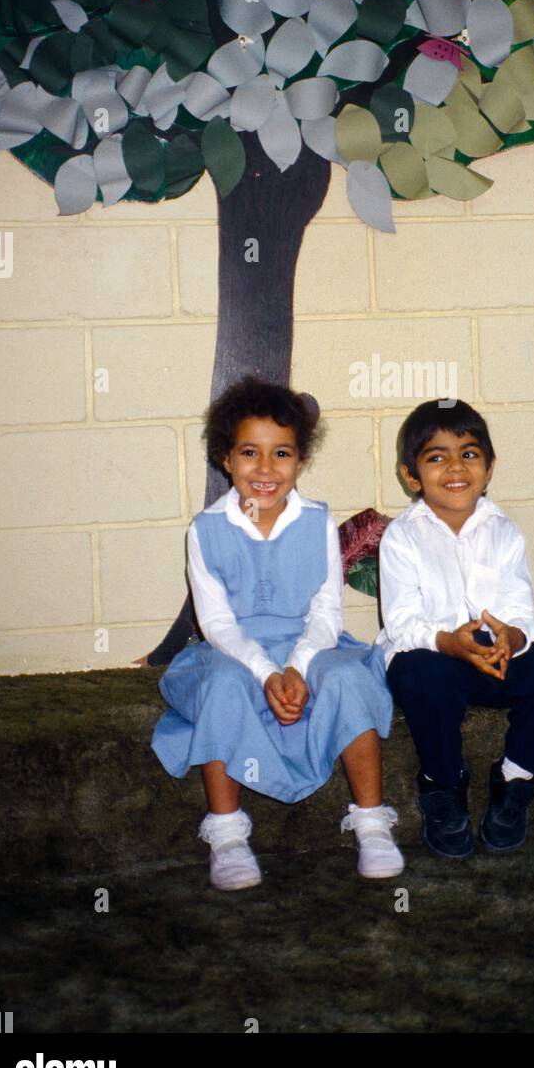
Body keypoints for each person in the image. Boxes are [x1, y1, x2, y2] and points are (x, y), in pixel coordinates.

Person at [152, 376, 403, 890]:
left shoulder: (315, 522)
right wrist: (267, 672)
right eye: (250, 452)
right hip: (235, 651)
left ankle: (372, 821)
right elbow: (217, 624)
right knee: (221, 687)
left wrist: (298, 664)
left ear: (300, 461)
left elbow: (327, 612)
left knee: (347, 681)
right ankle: (226, 833)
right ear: (226, 458)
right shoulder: (205, 530)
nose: (265, 469)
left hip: (311, 645)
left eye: (281, 453)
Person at [378, 399, 534, 858]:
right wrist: (447, 643)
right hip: (431, 654)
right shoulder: (402, 535)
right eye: (436, 457)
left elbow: (521, 613)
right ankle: (442, 786)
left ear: (488, 467)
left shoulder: (504, 531)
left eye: (468, 453)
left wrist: (513, 638)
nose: (455, 467)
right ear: (411, 476)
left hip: (491, 655)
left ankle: (516, 779)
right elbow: (402, 622)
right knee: (424, 675)